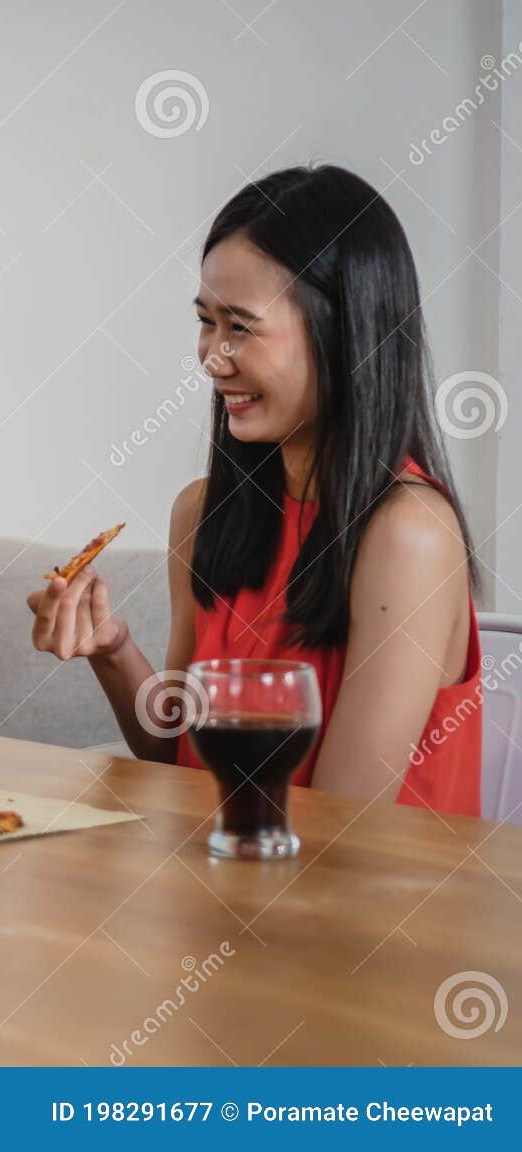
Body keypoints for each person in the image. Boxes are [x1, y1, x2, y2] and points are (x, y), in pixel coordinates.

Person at [27, 164, 483, 814]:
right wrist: (112, 650)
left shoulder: (409, 534)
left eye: (240, 326)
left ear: (342, 334)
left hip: (358, 882)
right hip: (229, 870)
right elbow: (181, 757)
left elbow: (339, 825)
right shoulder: (202, 511)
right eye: (206, 321)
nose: (211, 357)